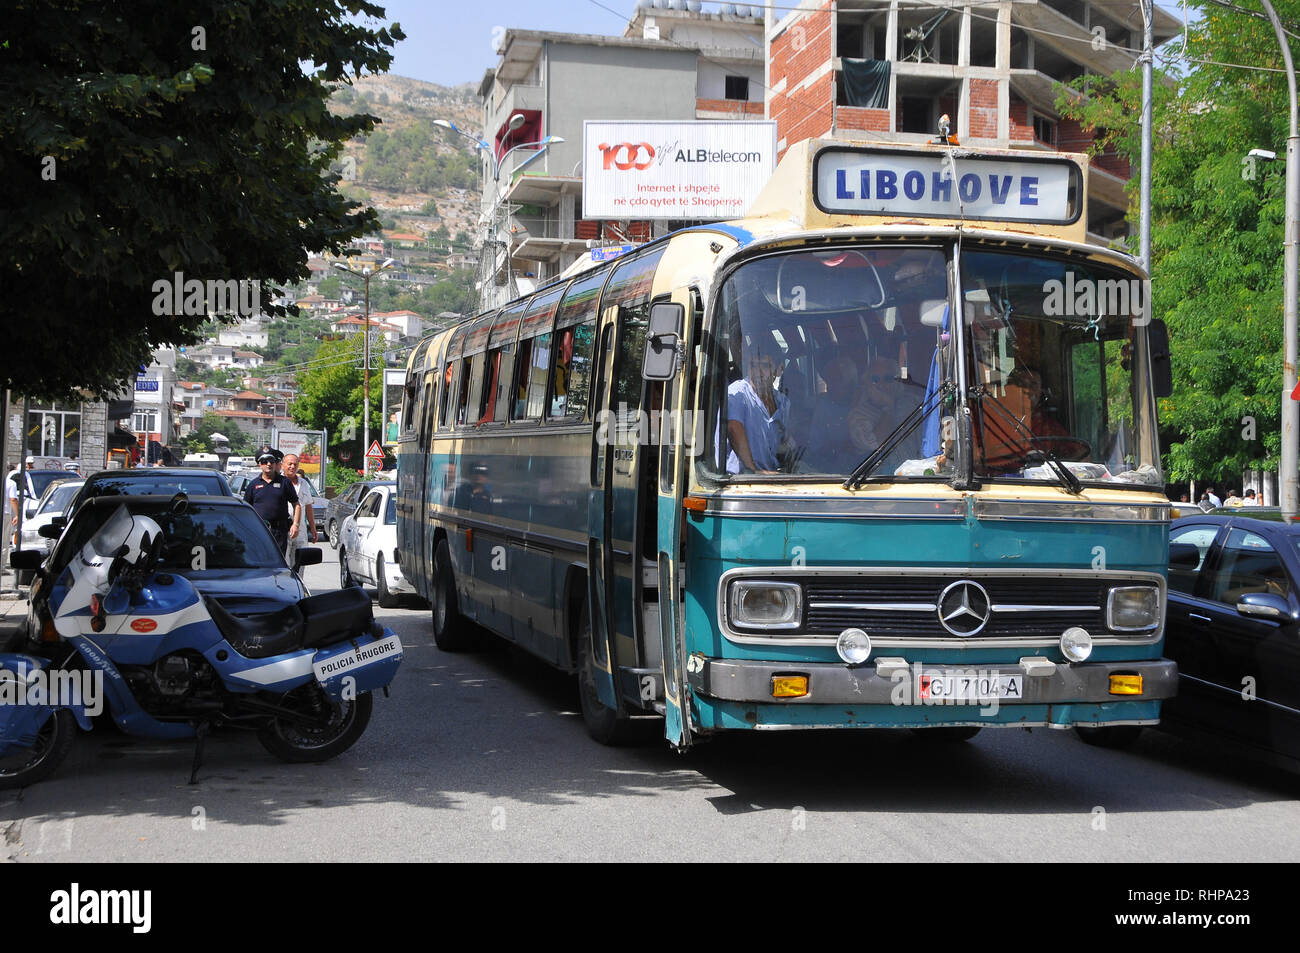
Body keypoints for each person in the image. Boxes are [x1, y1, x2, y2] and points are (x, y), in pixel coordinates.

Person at [726, 351, 789, 474]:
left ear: (779, 369)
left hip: (774, 477)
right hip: (741, 482)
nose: (757, 373)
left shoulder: (782, 402)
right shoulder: (738, 393)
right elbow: (734, 427)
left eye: (765, 366)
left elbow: (786, 442)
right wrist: (753, 470)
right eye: (753, 365)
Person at [242, 446, 300, 554]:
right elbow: (246, 509)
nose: (268, 464)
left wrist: (295, 524)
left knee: (278, 562)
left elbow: (296, 504)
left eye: (271, 461)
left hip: (279, 531)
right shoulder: (253, 484)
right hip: (259, 530)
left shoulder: (285, 482)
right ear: (259, 464)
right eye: (264, 461)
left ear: (275, 463)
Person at [281, 453, 318, 564]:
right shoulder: (278, 482)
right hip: (283, 530)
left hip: (300, 530)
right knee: (284, 563)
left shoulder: (304, 483)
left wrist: (313, 528)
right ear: (283, 465)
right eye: (289, 464)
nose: (292, 467)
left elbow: (308, 506)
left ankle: (298, 581)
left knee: (300, 563)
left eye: (295, 464)